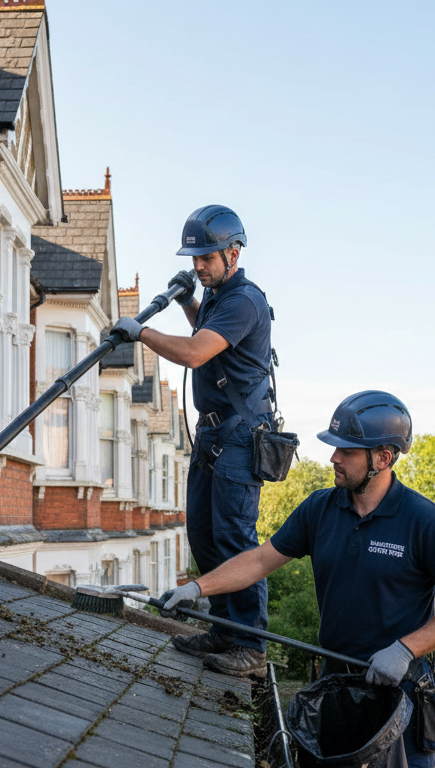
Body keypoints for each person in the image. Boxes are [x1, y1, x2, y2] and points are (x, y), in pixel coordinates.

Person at [160, 391, 435, 768]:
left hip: (400, 698)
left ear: (383, 458)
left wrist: (405, 649)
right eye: (335, 448)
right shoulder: (319, 508)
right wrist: (197, 587)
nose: (334, 458)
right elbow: (259, 561)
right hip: (336, 689)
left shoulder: (425, 522)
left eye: (347, 450)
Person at [111, 205, 274, 677]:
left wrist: (142, 332)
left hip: (239, 438)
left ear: (233, 254)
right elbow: (207, 330)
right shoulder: (220, 298)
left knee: (236, 539)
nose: (198, 266)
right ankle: (224, 629)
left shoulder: (245, 301)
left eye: (206, 257)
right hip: (212, 434)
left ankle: (250, 645)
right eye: (194, 258)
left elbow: (196, 352)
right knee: (203, 535)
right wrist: (187, 303)